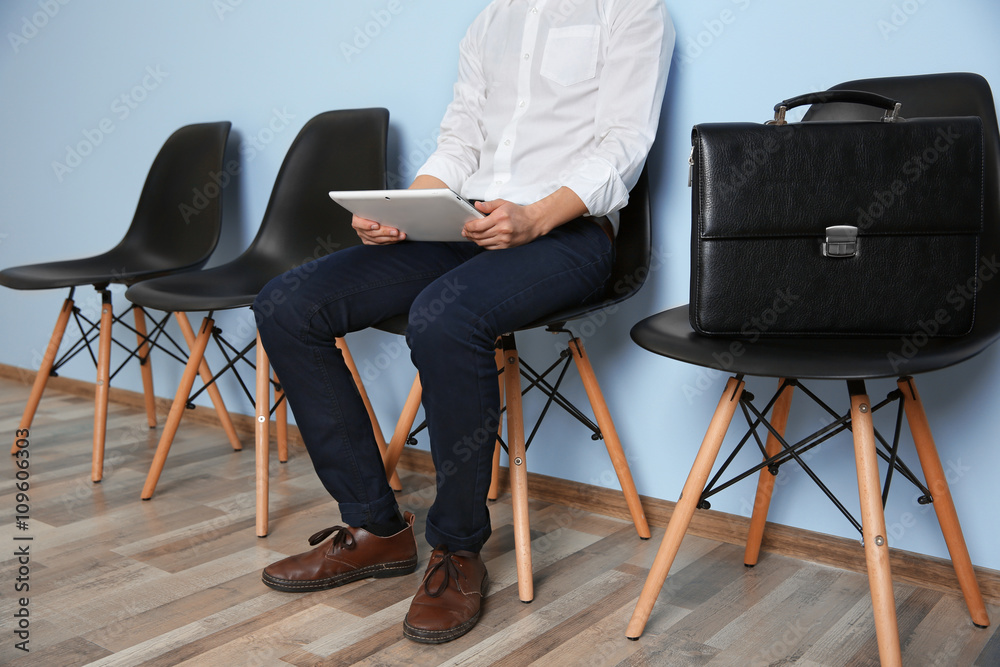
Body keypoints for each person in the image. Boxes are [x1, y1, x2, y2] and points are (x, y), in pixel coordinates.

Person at [254, 0, 674, 644]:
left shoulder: (631, 11)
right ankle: (376, 529)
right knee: (287, 303)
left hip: (567, 233)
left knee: (443, 321)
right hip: (464, 221)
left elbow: (624, 143)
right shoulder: (490, 19)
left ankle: (456, 549)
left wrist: (535, 215)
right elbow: (460, 139)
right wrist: (409, 209)